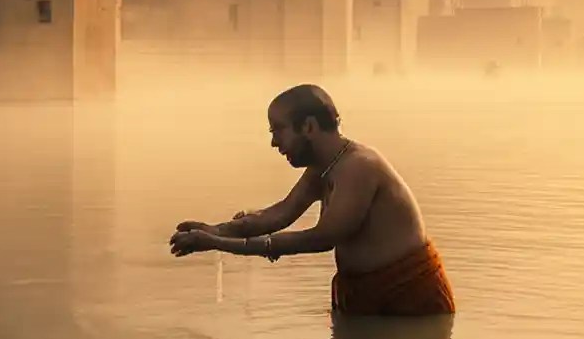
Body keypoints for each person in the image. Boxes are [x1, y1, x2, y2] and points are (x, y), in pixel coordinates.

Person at [168, 84, 455, 316]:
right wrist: (213, 230)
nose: (274, 143)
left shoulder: (359, 166)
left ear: (308, 126)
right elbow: (280, 214)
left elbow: (321, 238)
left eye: (277, 130)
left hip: (409, 301)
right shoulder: (325, 167)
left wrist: (220, 244)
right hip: (360, 298)